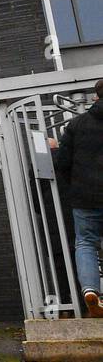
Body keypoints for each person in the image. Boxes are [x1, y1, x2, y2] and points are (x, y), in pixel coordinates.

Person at [53, 79, 103, 318]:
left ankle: (91, 291)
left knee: (85, 243)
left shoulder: (76, 124)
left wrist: (75, 185)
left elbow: (62, 163)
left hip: (84, 197)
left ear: (96, 96)